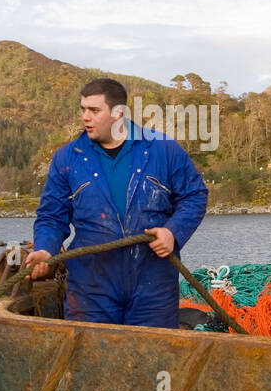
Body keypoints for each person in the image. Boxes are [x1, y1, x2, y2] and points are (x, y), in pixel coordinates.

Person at [25, 78, 208, 326]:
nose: (85, 117)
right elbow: (52, 216)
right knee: (90, 358)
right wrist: (46, 249)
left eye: (94, 110)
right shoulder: (67, 158)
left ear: (118, 113)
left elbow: (194, 196)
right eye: (83, 109)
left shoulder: (164, 149)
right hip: (91, 286)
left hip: (153, 284)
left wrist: (172, 233)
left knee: (153, 357)